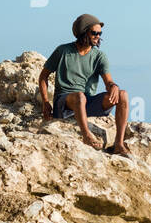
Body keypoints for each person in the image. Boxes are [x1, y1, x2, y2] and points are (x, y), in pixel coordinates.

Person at [39, 14, 131, 156]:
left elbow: (108, 82)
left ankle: (118, 144)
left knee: (122, 94)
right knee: (79, 96)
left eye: (100, 33)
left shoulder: (99, 56)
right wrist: (45, 102)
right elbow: (43, 76)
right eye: (94, 33)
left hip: (88, 102)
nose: (98, 37)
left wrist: (113, 86)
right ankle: (87, 136)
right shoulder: (63, 51)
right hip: (64, 102)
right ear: (83, 32)